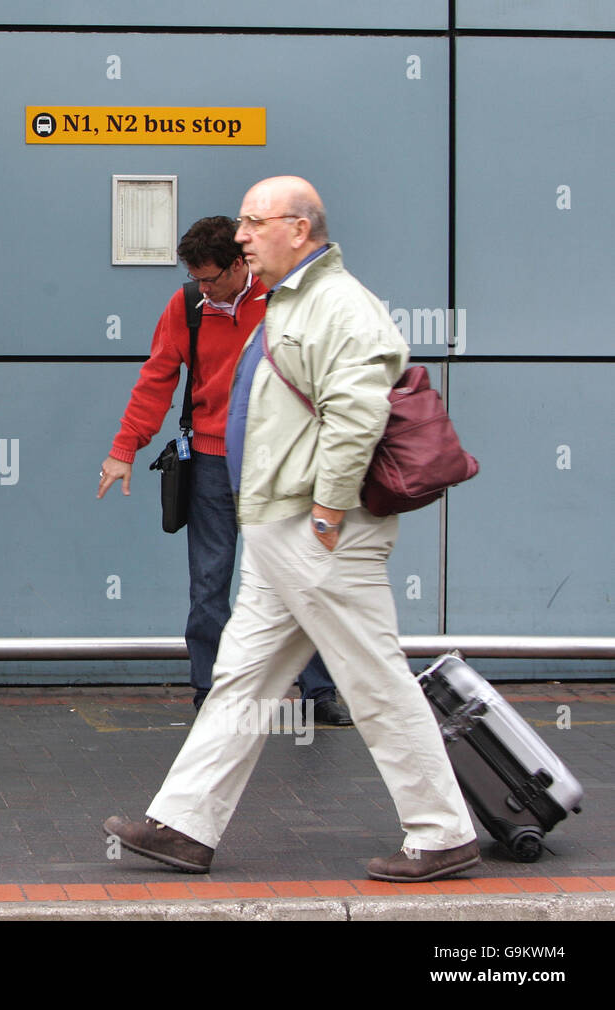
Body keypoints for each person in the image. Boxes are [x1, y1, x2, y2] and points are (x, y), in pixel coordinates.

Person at [103, 176, 481, 883]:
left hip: (319, 532)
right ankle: (184, 824)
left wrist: (330, 510)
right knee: (241, 683)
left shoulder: (338, 306)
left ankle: (441, 832)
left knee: (373, 681)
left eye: (253, 222)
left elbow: (357, 415)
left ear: (298, 230)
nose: (241, 235)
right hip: (283, 530)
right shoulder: (294, 302)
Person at [97, 216, 352, 725]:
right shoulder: (187, 306)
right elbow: (157, 379)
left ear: (241, 263)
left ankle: (319, 690)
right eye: (197, 279)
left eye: (211, 278)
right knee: (209, 580)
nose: (204, 289)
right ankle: (210, 692)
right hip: (213, 460)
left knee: (301, 575)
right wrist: (124, 448)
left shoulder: (282, 299)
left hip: (279, 460)